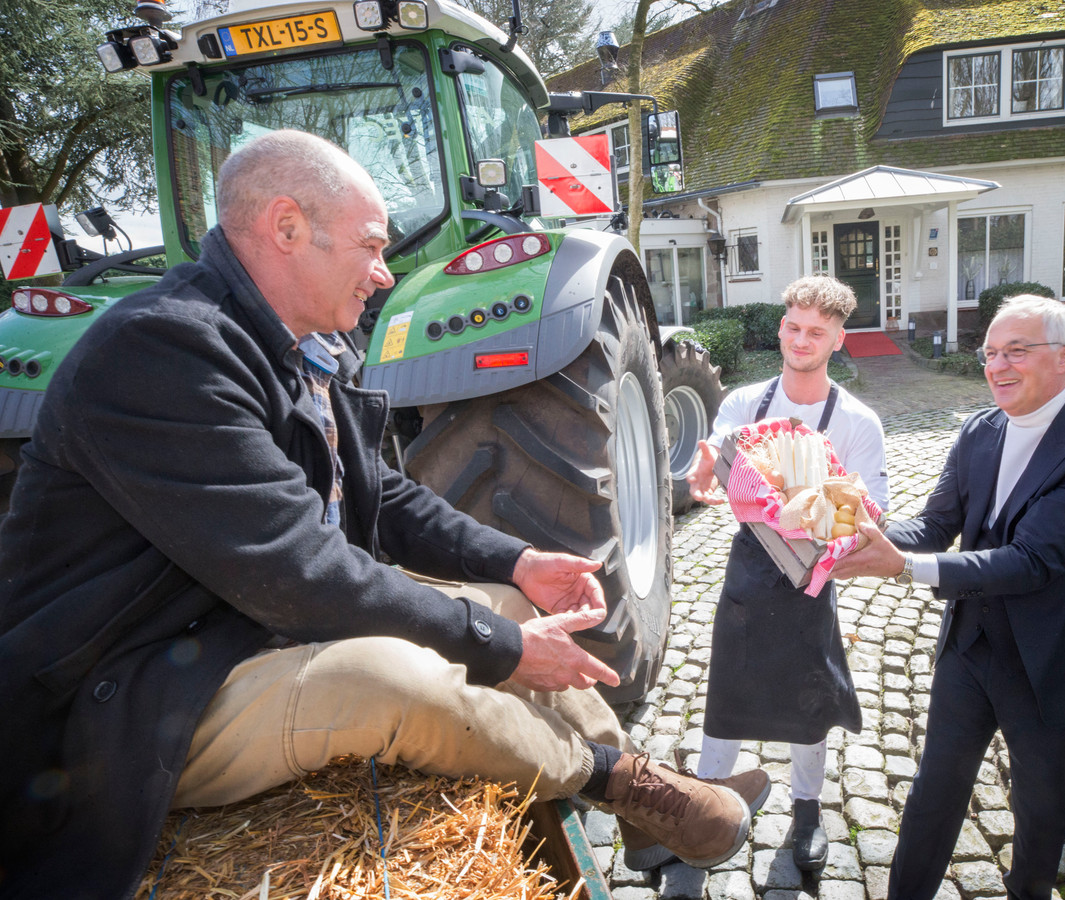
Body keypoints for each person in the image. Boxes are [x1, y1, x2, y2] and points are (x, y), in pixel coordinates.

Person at [0, 130, 762, 900]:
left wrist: (514, 563)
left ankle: (645, 796)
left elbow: (381, 495)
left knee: (503, 605)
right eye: (369, 246)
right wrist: (498, 650)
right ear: (287, 227)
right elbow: (295, 570)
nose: (384, 271)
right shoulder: (160, 350)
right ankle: (622, 787)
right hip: (124, 700)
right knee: (390, 678)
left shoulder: (300, 347)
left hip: (226, 635)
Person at [831, 294, 1065, 900]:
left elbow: (1032, 561)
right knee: (933, 791)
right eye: (990, 353)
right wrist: (850, 534)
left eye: (1016, 351)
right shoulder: (981, 429)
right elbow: (934, 525)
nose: (998, 366)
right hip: (971, 646)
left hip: (1052, 660)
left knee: (1040, 811)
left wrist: (902, 567)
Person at [682, 275, 890, 873]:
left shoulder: (857, 421)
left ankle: (806, 810)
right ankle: (704, 801)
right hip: (749, 571)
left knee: (809, 701)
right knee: (727, 691)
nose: (802, 340)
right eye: (794, 328)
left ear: (838, 339)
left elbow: (872, 507)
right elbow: (714, 464)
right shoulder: (745, 404)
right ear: (781, 328)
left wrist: (821, 505)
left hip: (812, 580)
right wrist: (703, 472)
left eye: (817, 333)